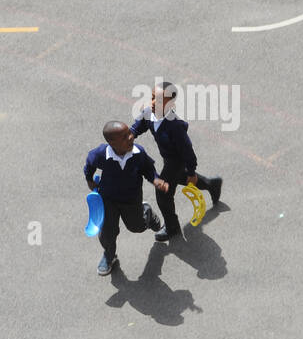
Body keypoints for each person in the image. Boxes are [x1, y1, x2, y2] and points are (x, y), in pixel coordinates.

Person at [131, 81, 222, 243]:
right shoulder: (149, 113)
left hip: (177, 160)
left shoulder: (175, 126)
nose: (153, 103)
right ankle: (211, 184)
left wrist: (192, 171)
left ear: (170, 104)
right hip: (168, 158)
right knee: (181, 178)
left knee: (163, 193)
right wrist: (130, 134)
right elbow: (139, 125)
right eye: (152, 98)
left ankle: (172, 228)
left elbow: (188, 151)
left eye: (159, 101)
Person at [83, 122, 169, 276]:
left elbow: (148, 169)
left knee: (136, 227)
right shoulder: (101, 154)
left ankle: (147, 214)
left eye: (130, 133)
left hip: (131, 198)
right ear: (112, 143)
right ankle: (109, 256)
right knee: (108, 232)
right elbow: (89, 164)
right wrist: (89, 179)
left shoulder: (138, 153)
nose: (131, 137)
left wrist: (155, 179)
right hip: (107, 198)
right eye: (124, 137)